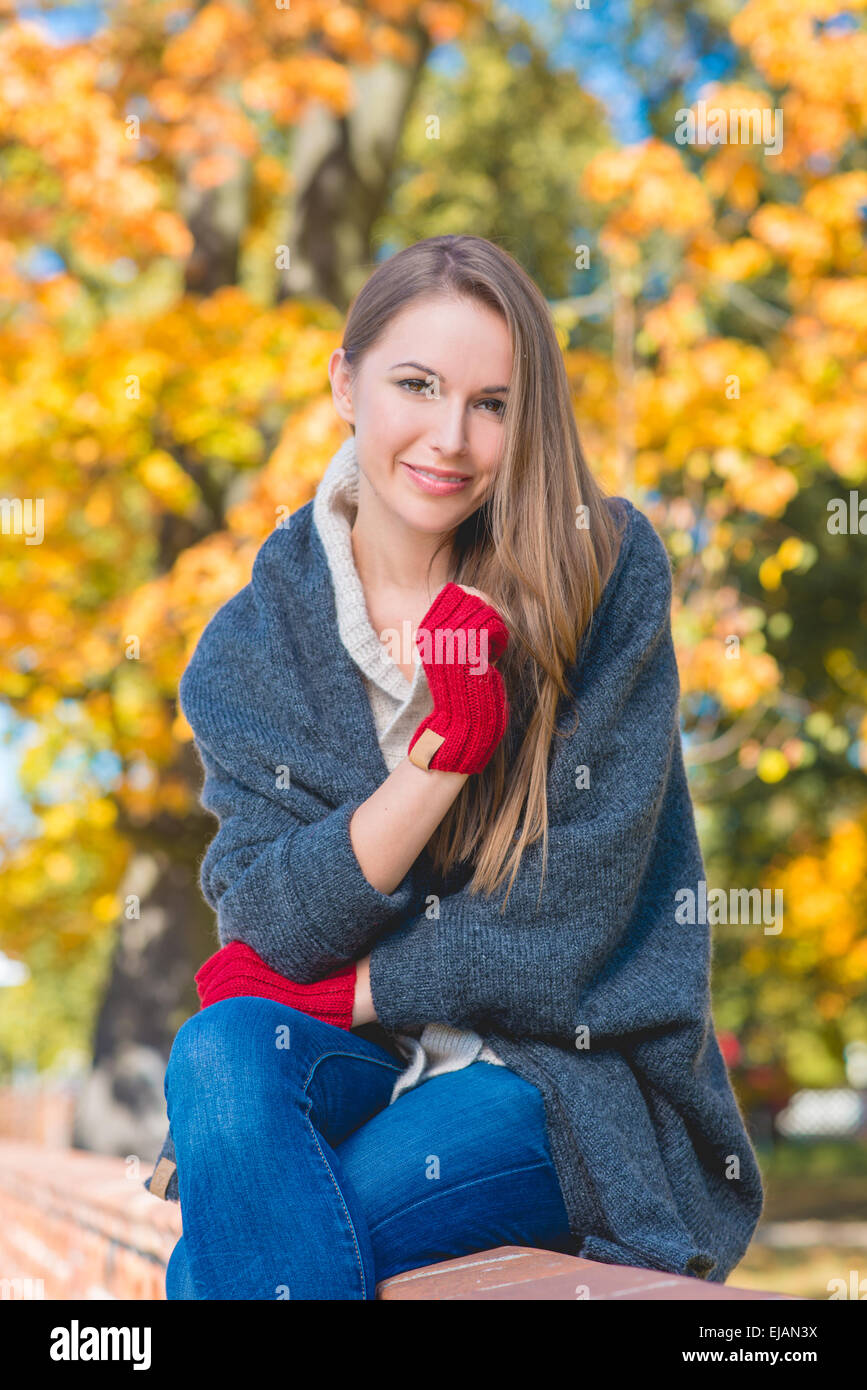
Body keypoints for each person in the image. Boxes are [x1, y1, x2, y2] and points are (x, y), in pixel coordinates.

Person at [150, 233, 764, 1299]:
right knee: (219, 1047)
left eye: (493, 402)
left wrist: (357, 986)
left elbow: (572, 923)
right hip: (366, 1068)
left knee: (215, 1263)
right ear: (345, 382)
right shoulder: (250, 648)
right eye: (416, 385)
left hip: (561, 1077)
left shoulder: (600, 573)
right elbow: (270, 925)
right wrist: (442, 756)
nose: (451, 437)